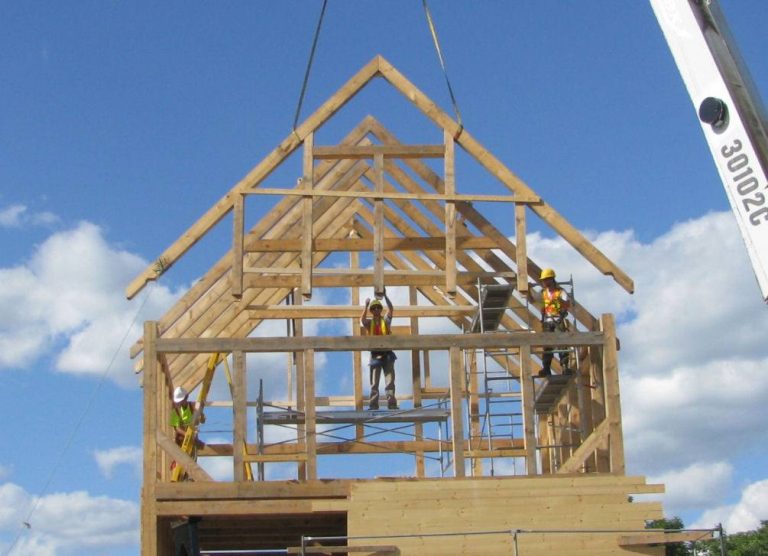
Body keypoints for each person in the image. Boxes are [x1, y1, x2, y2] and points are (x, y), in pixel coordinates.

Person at [360, 291, 398, 410]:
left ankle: (391, 403)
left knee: (390, 381)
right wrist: (366, 306)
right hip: (375, 356)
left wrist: (385, 296)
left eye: (378, 308)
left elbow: (391, 309)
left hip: (387, 355)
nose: (376, 309)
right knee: (374, 383)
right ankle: (373, 405)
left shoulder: (385, 321)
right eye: (374, 308)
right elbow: (362, 320)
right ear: (372, 310)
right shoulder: (370, 323)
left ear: (380, 309)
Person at [538, 268, 572, 377]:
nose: (545, 282)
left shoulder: (560, 292)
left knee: (562, 343)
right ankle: (546, 368)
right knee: (547, 346)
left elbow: (567, 305)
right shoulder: (543, 293)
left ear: (552, 279)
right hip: (547, 321)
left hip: (558, 319)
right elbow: (533, 299)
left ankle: (565, 367)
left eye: (547, 280)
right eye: (544, 280)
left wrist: (560, 302)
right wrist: (528, 290)